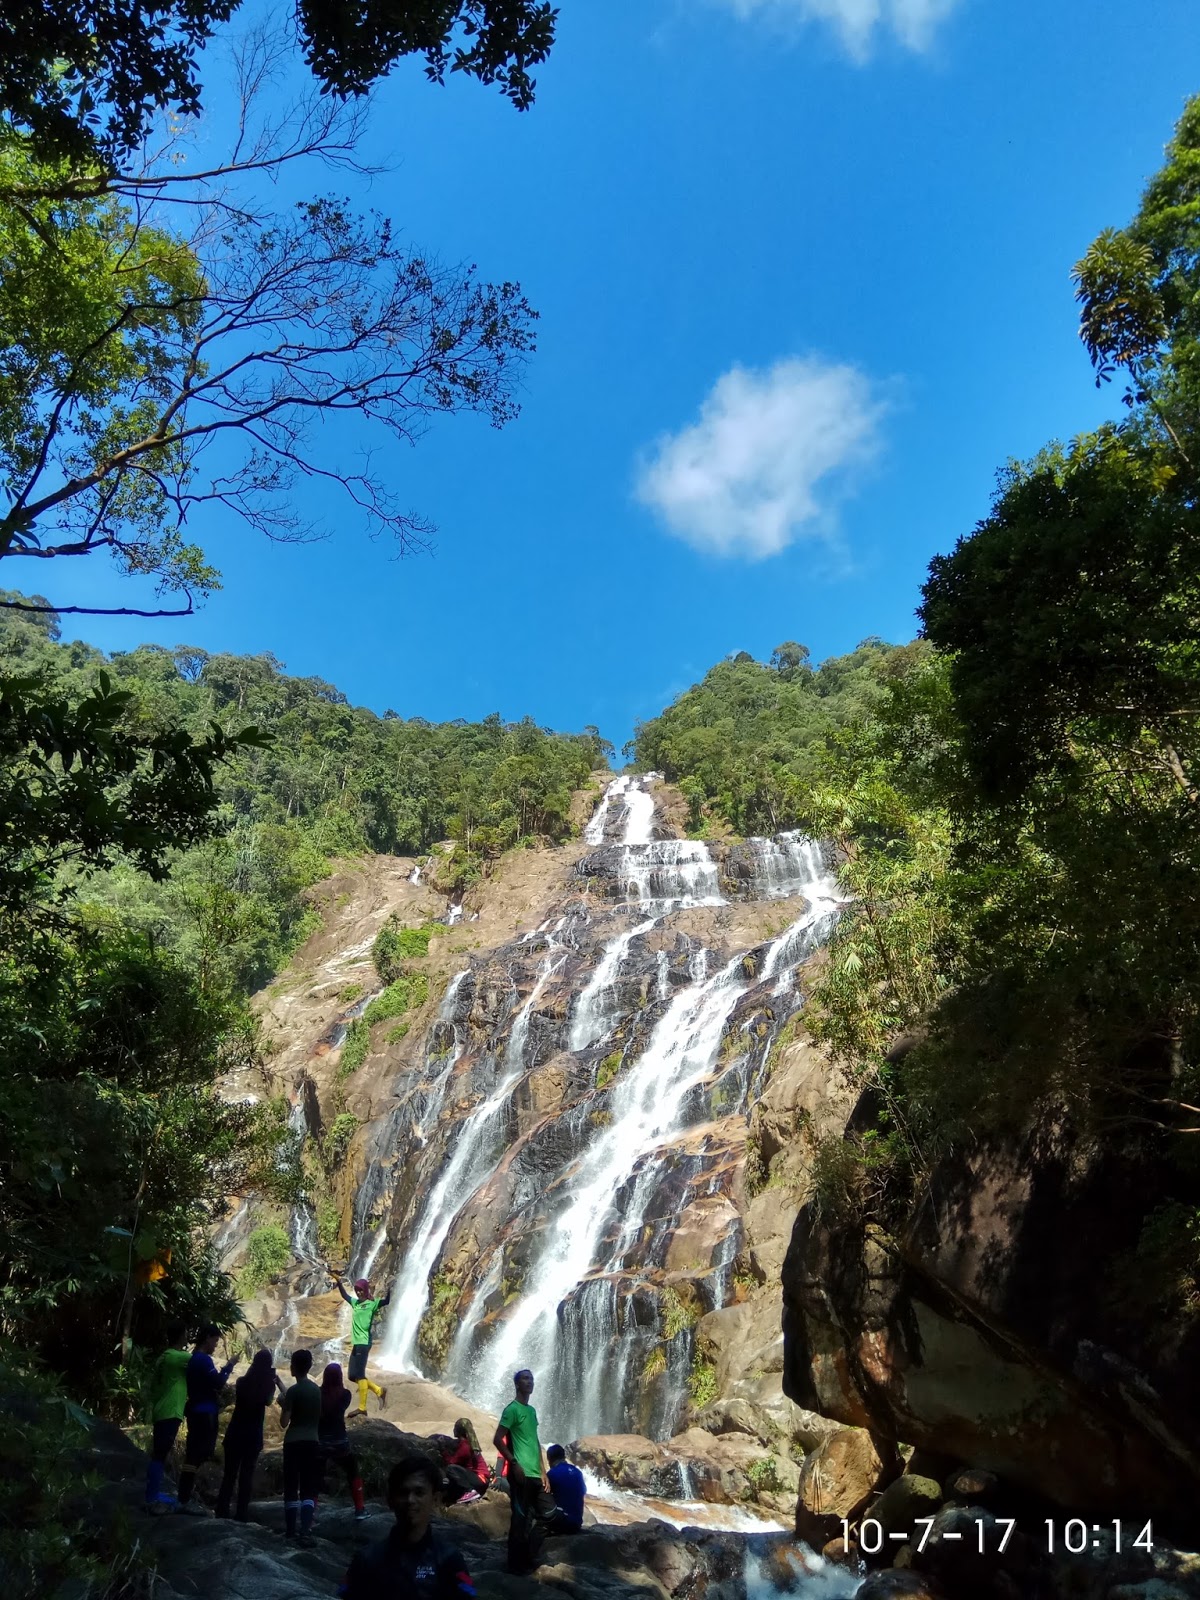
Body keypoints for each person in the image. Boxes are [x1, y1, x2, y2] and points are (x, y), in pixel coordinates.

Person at [342, 1457, 475, 1599]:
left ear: (435, 1499)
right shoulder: (366, 1559)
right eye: (403, 1493)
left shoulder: (449, 1560)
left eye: (419, 1493)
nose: (410, 1500)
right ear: (390, 1500)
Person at [493, 1368, 555, 1575]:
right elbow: (497, 1438)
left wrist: (544, 1471)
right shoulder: (511, 1409)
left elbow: (535, 1441)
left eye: (531, 1379)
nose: (530, 1382)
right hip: (520, 1474)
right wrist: (514, 1463)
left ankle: (527, 1556)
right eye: (525, 1379)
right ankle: (514, 1565)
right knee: (520, 1520)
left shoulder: (531, 1411)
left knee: (549, 1514)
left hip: (536, 1474)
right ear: (517, 1384)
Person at [215, 1349, 285, 1521]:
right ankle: (241, 1513)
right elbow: (269, 1401)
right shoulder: (267, 1387)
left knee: (229, 1474)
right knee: (247, 1475)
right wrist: (276, 1382)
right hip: (252, 1435)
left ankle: (221, 1510)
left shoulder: (241, 1382)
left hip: (235, 1432)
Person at [177, 1325, 236, 1514]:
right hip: (205, 1412)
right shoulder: (203, 1360)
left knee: (193, 1453)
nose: (216, 1345)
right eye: (215, 1341)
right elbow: (218, 1383)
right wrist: (229, 1367)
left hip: (195, 1410)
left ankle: (184, 1494)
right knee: (202, 1452)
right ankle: (186, 1495)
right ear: (208, 1338)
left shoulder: (194, 1358)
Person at [144, 1323, 190, 1514]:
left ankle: (153, 1493)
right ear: (180, 1337)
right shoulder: (179, 1357)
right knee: (160, 1454)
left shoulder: (163, 1358)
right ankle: (151, 1497)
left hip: (160, 1410)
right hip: (171, 1411)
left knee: (159, 1454)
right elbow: (202, 1362)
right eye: (186, 1333)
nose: (188, 1336)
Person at [332, 1271, 391, 1416]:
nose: (358, 1293)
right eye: (357, 1290)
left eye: (360, 1290)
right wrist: (339, 1282)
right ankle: (379, 1390)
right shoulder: (355, 1303)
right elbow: (345, 1296)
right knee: (352, 1375)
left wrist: (390, 1289)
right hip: (357, 1343)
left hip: (364, 1343)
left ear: (365, 1290)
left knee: (360, 1374)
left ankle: (362, 1408)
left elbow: (387, 1301)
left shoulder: (372, 1304)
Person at [280, 1348, 323, 1545]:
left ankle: (290, 1531)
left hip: (293, 1443)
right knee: (308, 1487)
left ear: (294, 1367)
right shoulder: (316, 1390)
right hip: (313, 1441)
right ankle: (306, 1530)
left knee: (291, 1486)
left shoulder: (294, 1392)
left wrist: (284, 1405)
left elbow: (283, 1422)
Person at [319, 1361, 368, 1521]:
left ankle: (310, 1514)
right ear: (340, 1377)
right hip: (340, 1440)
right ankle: (360, 1509)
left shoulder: (318, 1394)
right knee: (353, 1472)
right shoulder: (346, 1395)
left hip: (321, 1441)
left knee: (314, 1475)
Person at [441, 1419, 489, 1504]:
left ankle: (470, 1491)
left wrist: (444, 1453)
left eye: (455, 1427)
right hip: (481, 1479)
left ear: (459, 1430)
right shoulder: (469, 1444)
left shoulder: (465, 1446)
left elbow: (452, 1462)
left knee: (451, 1468)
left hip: (480, 1479)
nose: (453, 1430)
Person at [545, 1444, 586, 1534]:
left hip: (562, 1523)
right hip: (577, 1523)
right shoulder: (577, 1472)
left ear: (550, 1459)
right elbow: (583, 1492)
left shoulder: (551, 1474)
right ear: (564, 1456)